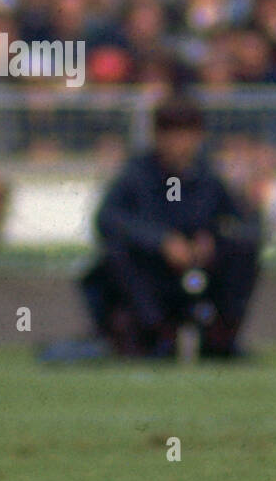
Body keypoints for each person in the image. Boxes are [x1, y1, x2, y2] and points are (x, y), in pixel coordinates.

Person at [81, 95, 261, 359]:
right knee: (119, 253)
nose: (179, 145)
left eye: (186, 135)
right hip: (152, 273)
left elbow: (243, 222)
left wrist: (213, 239)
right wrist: (161, 242)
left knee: (242, 250)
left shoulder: (208, 178)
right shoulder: (137, 175)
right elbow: (108, 219)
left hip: (198, 268)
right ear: (157, 137)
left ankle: (220, 335)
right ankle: (155, 333)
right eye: (172, 135)